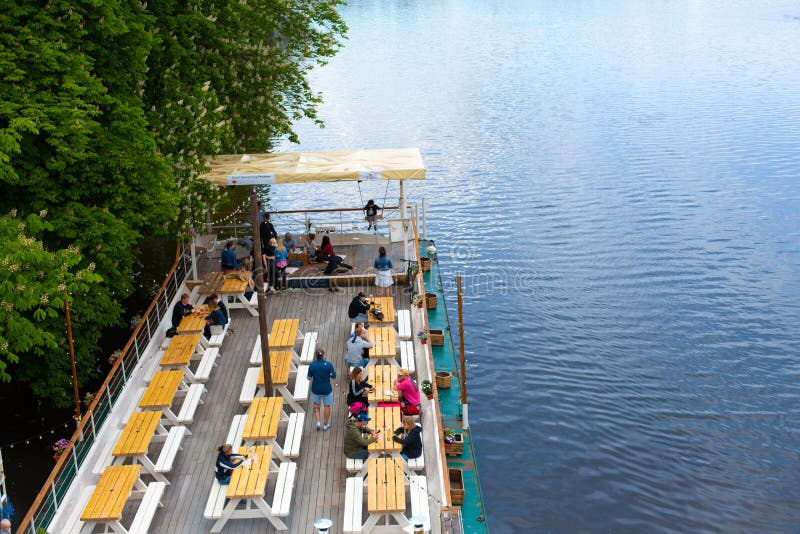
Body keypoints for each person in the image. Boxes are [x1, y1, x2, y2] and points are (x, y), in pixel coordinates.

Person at [307, 348, 336, 431]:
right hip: (326, 389)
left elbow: (308, 378)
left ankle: (318, 422)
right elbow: (334, 376)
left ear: (316, 356)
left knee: (316, 405)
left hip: (315, 389)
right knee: (327, 406)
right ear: (323, 355)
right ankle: (325, 424)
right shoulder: (329, 365)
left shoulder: (312, 365)